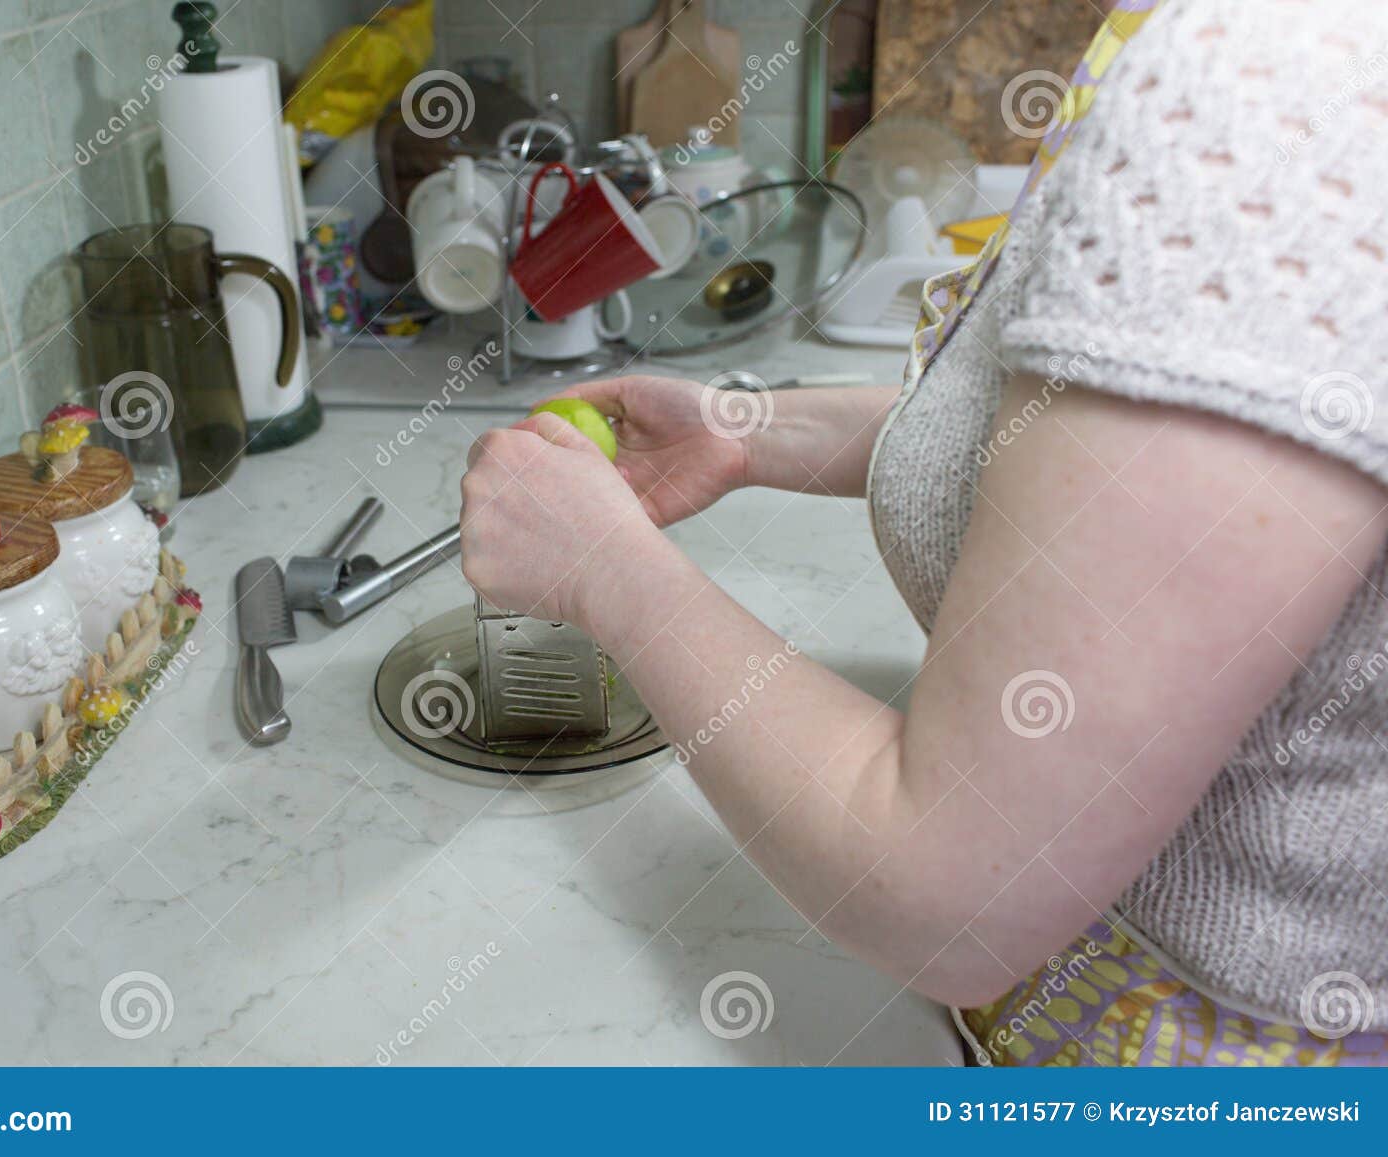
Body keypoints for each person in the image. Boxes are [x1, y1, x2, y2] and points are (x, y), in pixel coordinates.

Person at [459, 0, 1388, 1065]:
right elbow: (1076, 440)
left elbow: (954, 898)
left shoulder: (1277, 81)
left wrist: (603, 573)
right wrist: (748, 428)